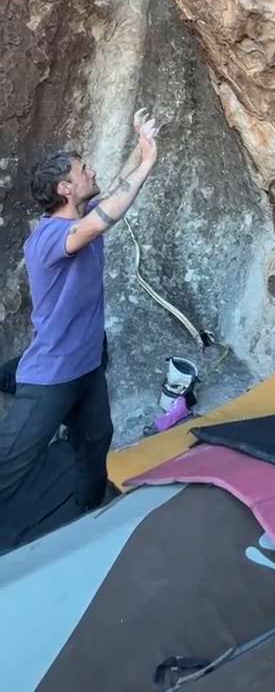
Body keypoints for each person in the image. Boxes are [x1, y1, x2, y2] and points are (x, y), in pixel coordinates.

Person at [0, 108, 160, 517]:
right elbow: (105, 219)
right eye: (83, 169)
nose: (92, 171)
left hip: (86, 367)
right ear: (65, 188)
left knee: (96, 438)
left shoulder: (83, 216)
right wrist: (148, 163)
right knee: (10, 463)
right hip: (52, 374)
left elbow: (114, 194)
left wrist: (140, 144)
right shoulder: (48, 237)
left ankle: (90, 512)